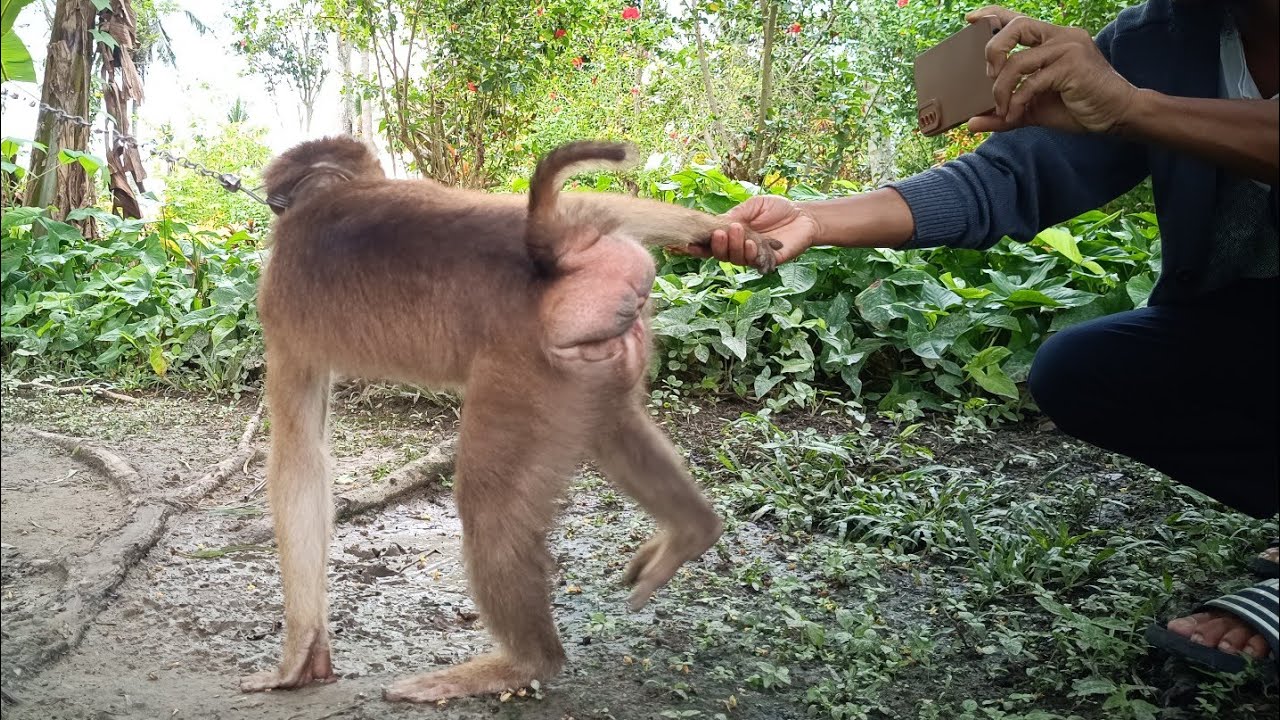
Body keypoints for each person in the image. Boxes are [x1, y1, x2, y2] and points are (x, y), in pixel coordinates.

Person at [686, 0, 1279, 677]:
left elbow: (1126, 108)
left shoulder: (1138, 83)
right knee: (1085, 369)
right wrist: (813, 219)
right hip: (1247, 323)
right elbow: (1007, 178)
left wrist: (1135, 109)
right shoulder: (1162, 40)